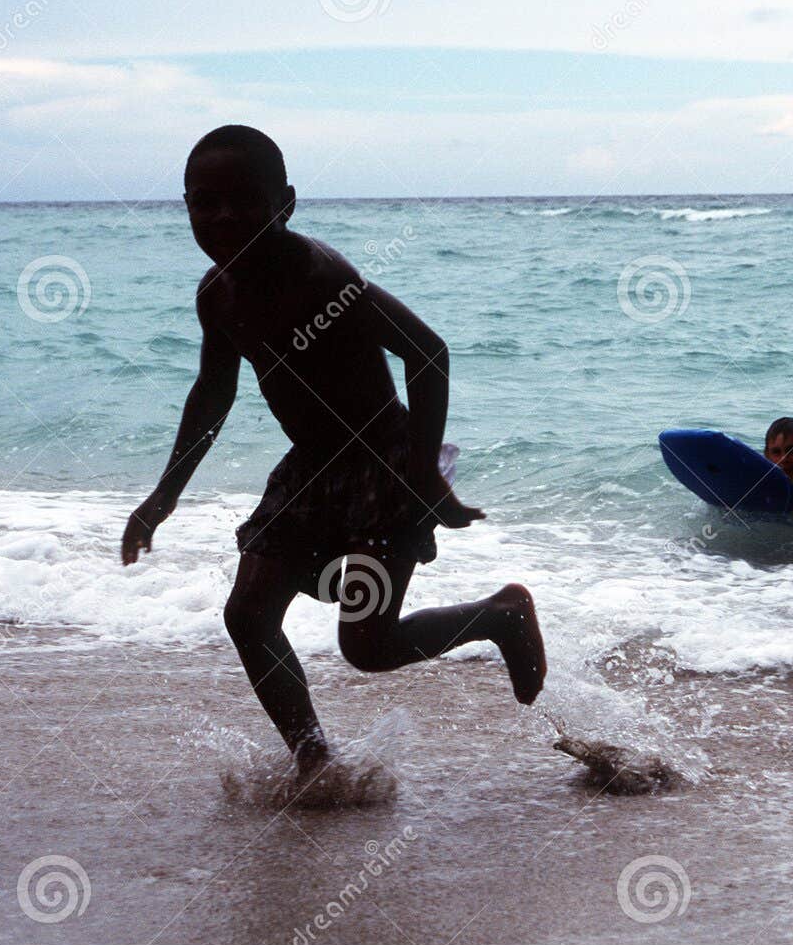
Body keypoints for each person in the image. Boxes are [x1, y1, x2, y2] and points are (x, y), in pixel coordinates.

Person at [121, 125, 545, 775]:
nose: (224, 216)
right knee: (248, 613)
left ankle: (502, 614)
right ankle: (313, 758)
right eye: (205, 202)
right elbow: (213, 392)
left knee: (368, 645)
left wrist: (426, 471)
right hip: (312, 467)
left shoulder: (323, 279)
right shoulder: (219, 294)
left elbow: (427, 352)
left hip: (384, 463)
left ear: (285, 203)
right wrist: (163, 495)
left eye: (245, 199)